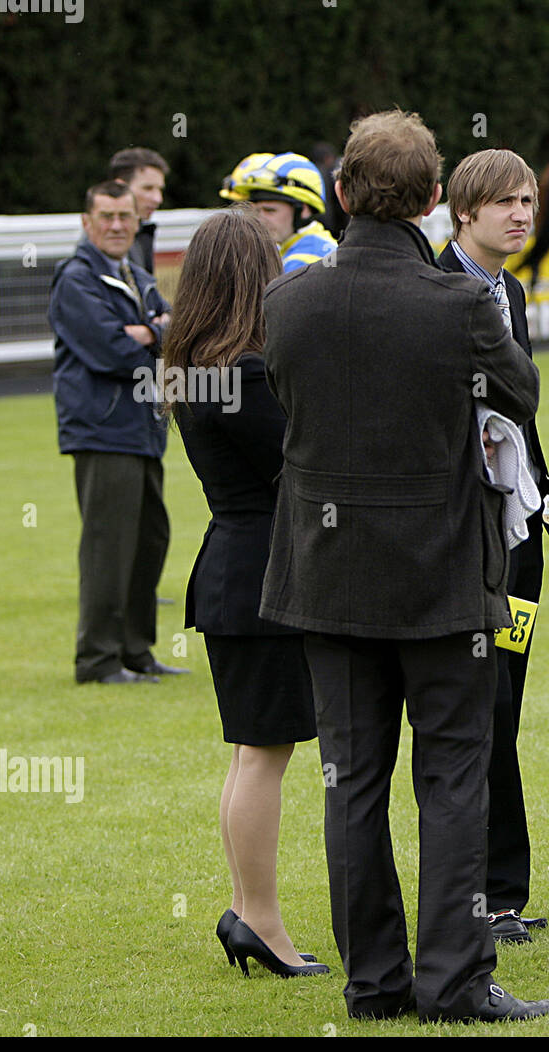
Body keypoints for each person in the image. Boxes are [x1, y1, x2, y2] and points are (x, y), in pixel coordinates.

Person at [260, 109, 549, 1023]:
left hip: (329, 576)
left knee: (353, 784)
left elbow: (290, 402)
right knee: (452, 781)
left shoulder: (290, 302)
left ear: (343, 194)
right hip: (438, 579)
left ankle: (377, 983)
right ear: (436, 199)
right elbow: (522, 392)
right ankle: (454, 981)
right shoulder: (462, 305)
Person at [164, 207, 327, 980]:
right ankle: (259, 916)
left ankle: (247, 908)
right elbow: (300, 465)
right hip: (262, 576)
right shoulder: (245, 374)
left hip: (232, 570)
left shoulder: (198, 366)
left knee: (253, 754)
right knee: (264, 755)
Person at [437, 148, 549, 944]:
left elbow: (517, 419)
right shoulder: (435, 292)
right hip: (463, 544)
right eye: (504, 203)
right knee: (473, 711)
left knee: (506, 707)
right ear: (463, 213)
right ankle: (480, 898)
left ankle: (505, 891)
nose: (523, 214)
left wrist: (547, 501)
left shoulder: (511, 290)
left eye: (528, 200)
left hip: (519, 545)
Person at [47, 181, 181, 685]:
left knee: (150, 539)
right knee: (110, 544)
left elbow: (174, 332)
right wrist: (153, 334)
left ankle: (135, 651)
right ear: (87, 221)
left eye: (124, 215)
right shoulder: (77, 279)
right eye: (105, 216)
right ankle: (98, 659)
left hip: (142, 428)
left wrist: (153, 333)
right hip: (103, 430)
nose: (116, 225)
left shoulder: (137, 275)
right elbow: (110, 351)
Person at [222, 151, 338, 272]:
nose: (259, 220)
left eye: (270, 210)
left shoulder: (305, 262)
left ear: (303, 210)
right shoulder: (296, 247)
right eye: (256, 211)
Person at [109, 147, 169, 275]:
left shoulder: (140, 233)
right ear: (120, 187)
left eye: (160, 190)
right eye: (148, 188)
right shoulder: (107, 241)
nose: (158, 199)